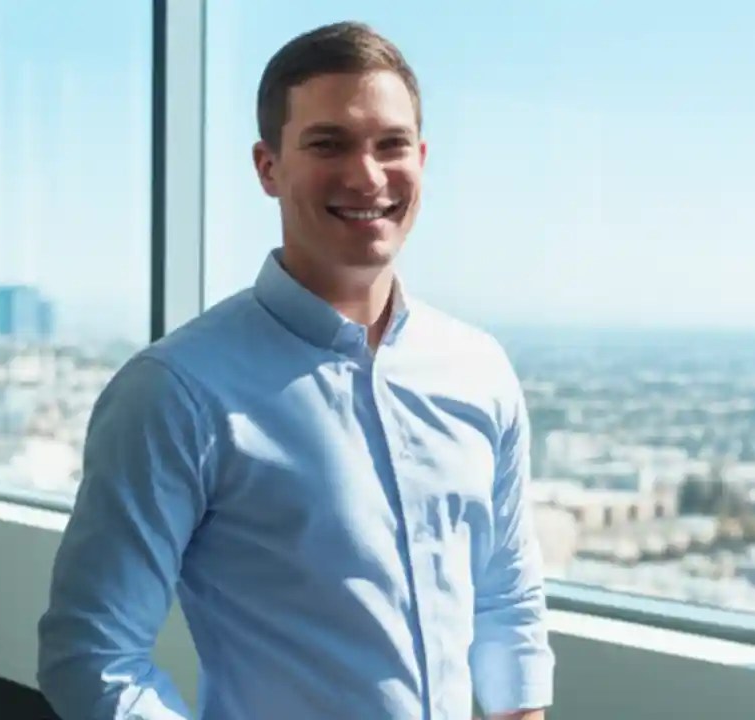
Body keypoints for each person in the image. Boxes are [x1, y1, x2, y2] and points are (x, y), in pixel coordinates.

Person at [37, 20, 554, 720]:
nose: (367, 175)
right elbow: (92, 656)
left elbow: (505, 602)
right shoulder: (177, 390)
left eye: (391, 144)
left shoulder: (478, 370)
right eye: (328, 143)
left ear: (423, 159)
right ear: (268, 167)